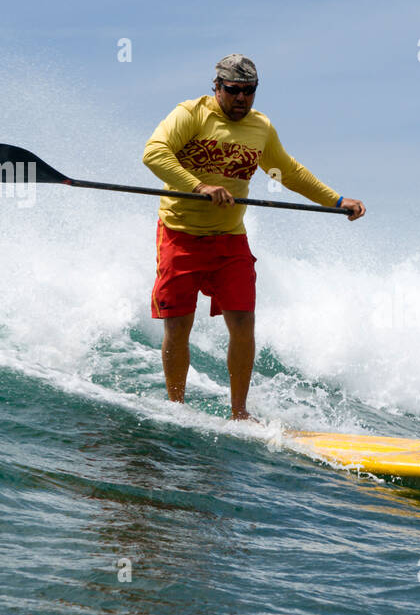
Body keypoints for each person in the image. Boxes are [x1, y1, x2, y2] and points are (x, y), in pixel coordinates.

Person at [142, 54, 365, 418]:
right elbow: (154, 153)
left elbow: (287, 172)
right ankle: (176, 407)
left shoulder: (260, 128)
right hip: (180, 235)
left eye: (249, 91)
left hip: (230, 239)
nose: (242, 99)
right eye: (233, 91)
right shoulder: (191, 114)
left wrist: (337, 200)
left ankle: (239, 412)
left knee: (243, 323)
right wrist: (199, 185)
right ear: (217, 87)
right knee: (179, 325)